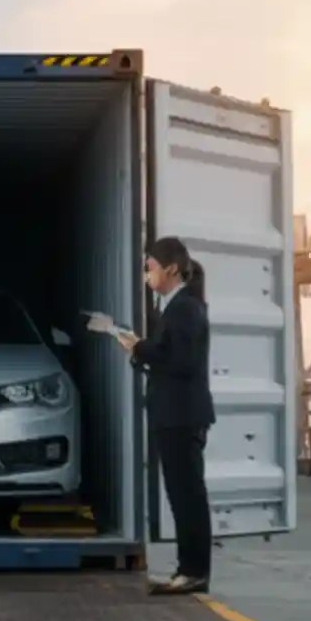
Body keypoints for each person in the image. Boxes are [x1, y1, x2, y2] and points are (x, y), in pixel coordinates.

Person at [116, 236, 214, 595]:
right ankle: (188, 569)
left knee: (187, 495)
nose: (147, 275)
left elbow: (182, 362)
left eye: (150, 268)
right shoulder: (177, 307)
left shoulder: (185, 308)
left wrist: (139, 347)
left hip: (181, 415)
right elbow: (171, 358)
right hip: (174, 413)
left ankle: (194, 572)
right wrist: (142, 351)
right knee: (182, 494)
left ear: (170, 268)